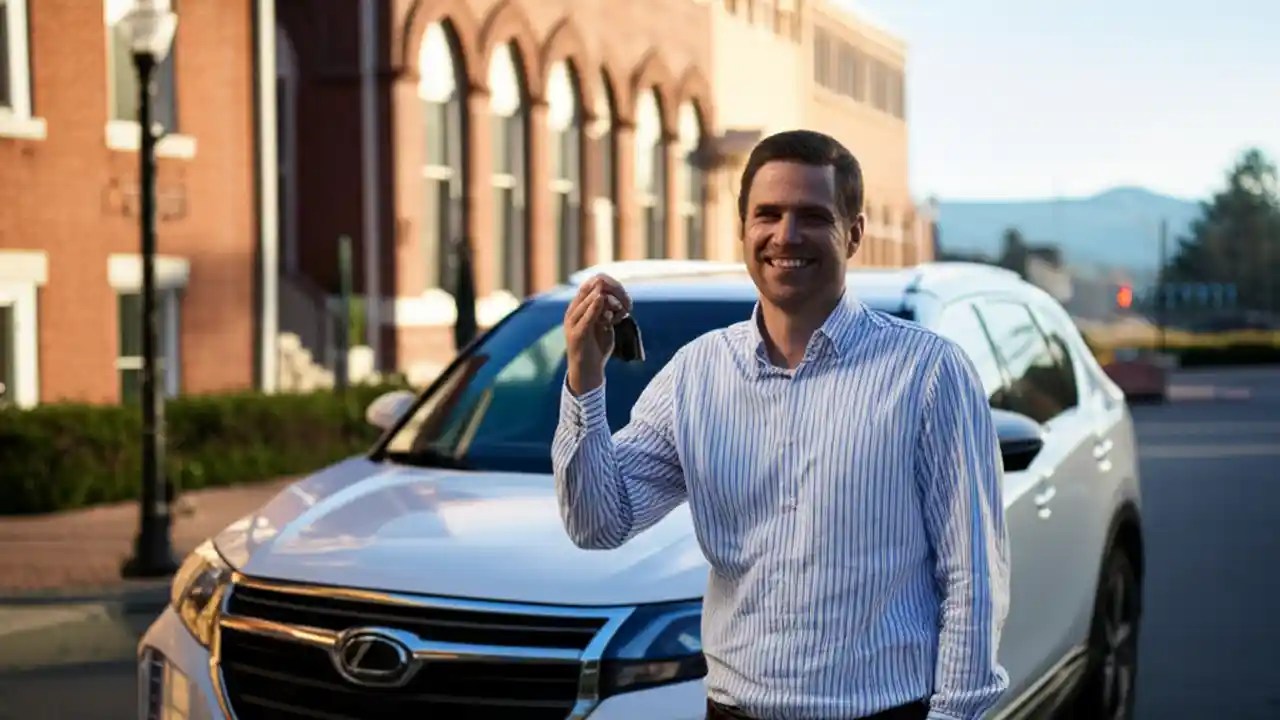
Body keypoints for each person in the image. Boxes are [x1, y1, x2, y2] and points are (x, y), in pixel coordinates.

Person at [552, 129, 1010, 720]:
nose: (785, 236)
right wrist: (585, 378)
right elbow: (598, 523)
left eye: (812, 216)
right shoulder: (696, 375)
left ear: (854, 233)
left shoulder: (928, 374)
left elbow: (973, 578)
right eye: (767, 214)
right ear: (742, 229)